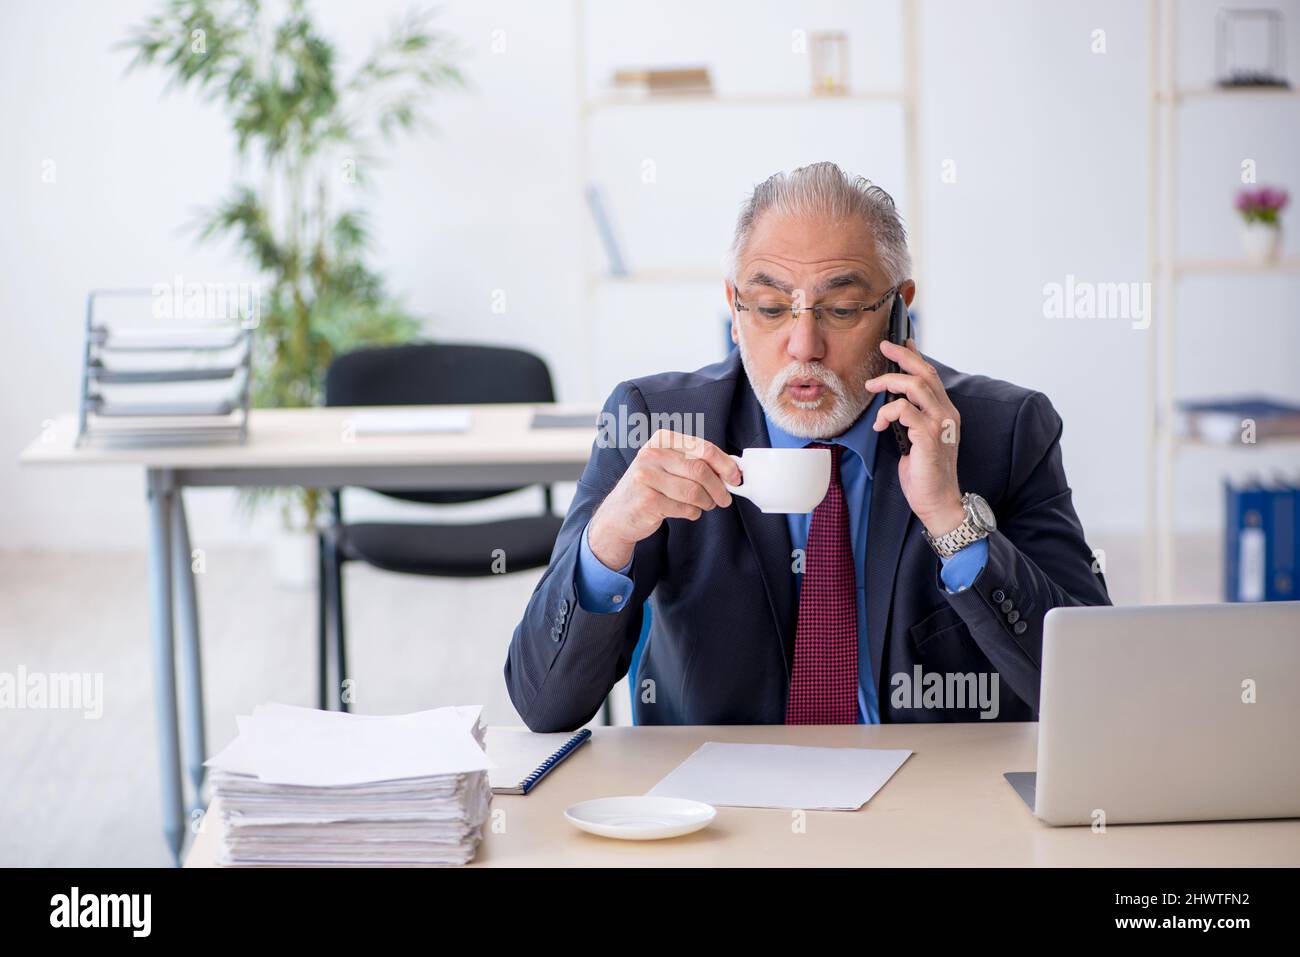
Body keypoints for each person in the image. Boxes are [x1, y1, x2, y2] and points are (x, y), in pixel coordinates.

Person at [505, 162, 1109, 730]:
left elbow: (1092, 695)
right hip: (723, 805)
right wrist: (609, 536)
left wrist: (952, 519)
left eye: (842, 309)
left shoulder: (1002, 430)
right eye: (770, 308)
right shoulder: (658, 423)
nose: (802, 345)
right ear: (734, 310)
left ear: (900, 310)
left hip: (927, 804)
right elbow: (543, 704)